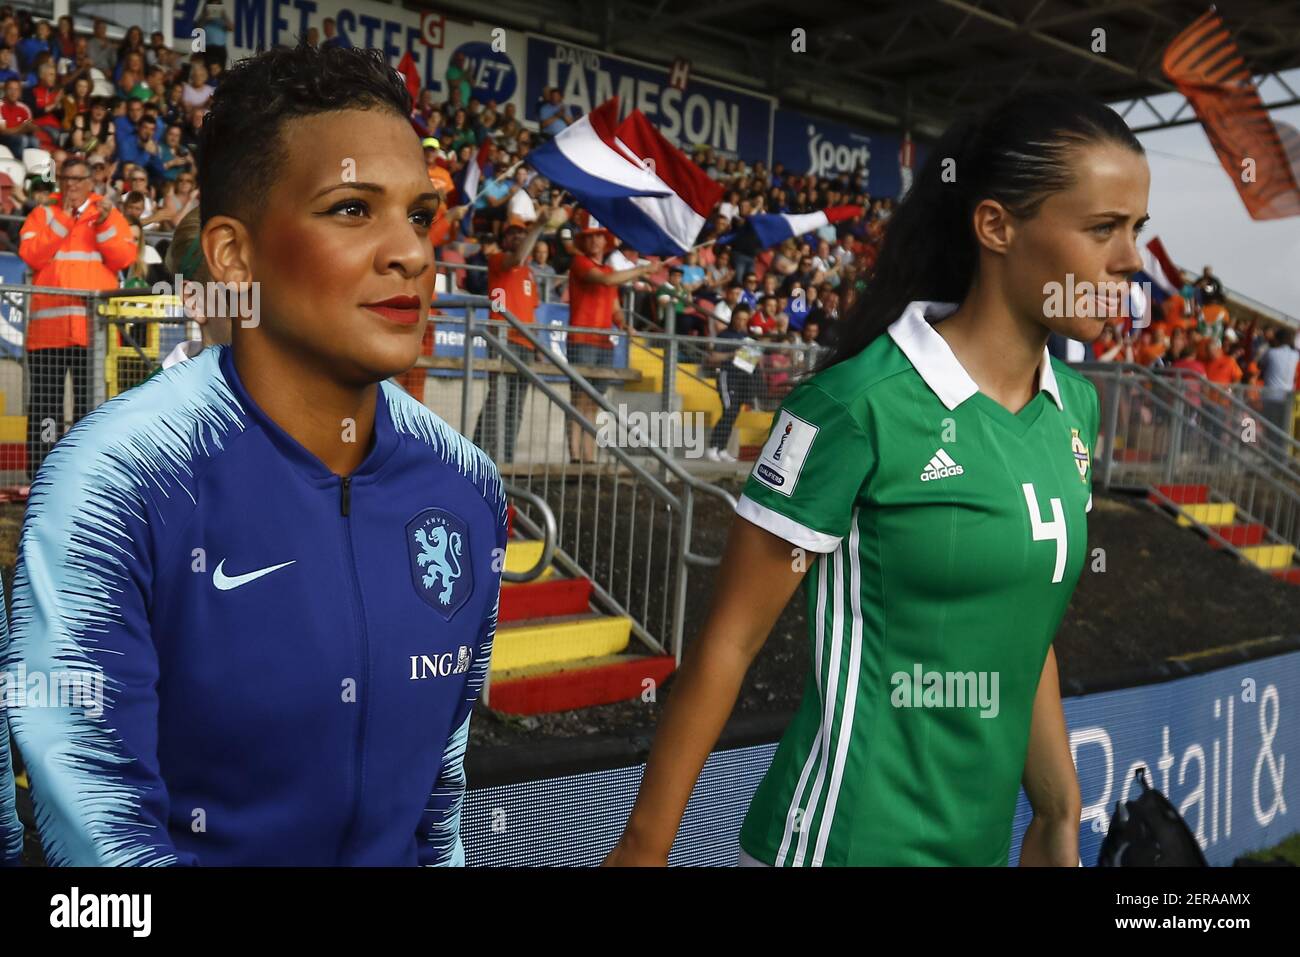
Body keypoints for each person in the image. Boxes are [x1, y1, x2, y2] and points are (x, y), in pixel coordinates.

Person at [607, 88, 1140, 867]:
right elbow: (731, 640)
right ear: (995, 226)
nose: (1129, 260)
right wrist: (642, 847)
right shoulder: (855, 406)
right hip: (847, 844)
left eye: (1136, 230)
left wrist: (1060, 808)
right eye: (1103, 229)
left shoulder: (1078, 411)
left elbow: (1023, 627)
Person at [4, 42, 507, 866]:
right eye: (352, 208)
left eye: (419, 214)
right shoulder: (117, 480)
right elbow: (94, 840)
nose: (414, 252)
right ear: (234, 255)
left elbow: (439, 793)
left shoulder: (468, 484)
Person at [18, 155, 137, 479]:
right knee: (46, 408)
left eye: (78, 180)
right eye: (66, 179)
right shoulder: (43, 214)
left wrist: (101, 224)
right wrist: (66, 220)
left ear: (91, 182)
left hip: (91, 333)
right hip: (49, 331)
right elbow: (31, 255)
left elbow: (124, 257)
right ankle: (42, 474)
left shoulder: (108, 215)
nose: (72, 185)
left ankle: (88, 473)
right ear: (60, 181)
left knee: (92, 408)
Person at [565, 224, 654, 462]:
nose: (595, 241)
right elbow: (605, 281)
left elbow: (614, 306)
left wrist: (624, 324)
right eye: (591, 237)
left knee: (594, 401)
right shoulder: (581, 263)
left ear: (605, 243)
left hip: (604, 341)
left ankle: (589, 455)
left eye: (599, 238)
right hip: (583, 339)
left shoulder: (606, 269)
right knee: (579, 399)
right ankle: (576, 455)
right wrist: (640, 271)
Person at [471, 212, 552, 462]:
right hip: (502, 339)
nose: (518, 236)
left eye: (521, 232)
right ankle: (478, 455)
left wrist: (538, 346)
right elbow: (517, 257)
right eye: (513, 233)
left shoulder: (529, 273)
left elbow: (532, 313)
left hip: (525, 342)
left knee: (516, 406)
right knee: (498, 400)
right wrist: (537, 226)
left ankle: (505, 458)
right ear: (504, 239)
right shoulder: (498, 260)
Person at [704, 305, 761, 462]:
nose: (741, 322)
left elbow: (754, 359)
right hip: (727, 376)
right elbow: (713, 357)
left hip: (742, 379)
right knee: (729, 410)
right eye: (738, 318)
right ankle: (712, 447)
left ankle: (722, 448)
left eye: (744, 319)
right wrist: (732, 354)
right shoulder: (725, 335)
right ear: (733, 318)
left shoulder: (747, 337)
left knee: (734, 412)